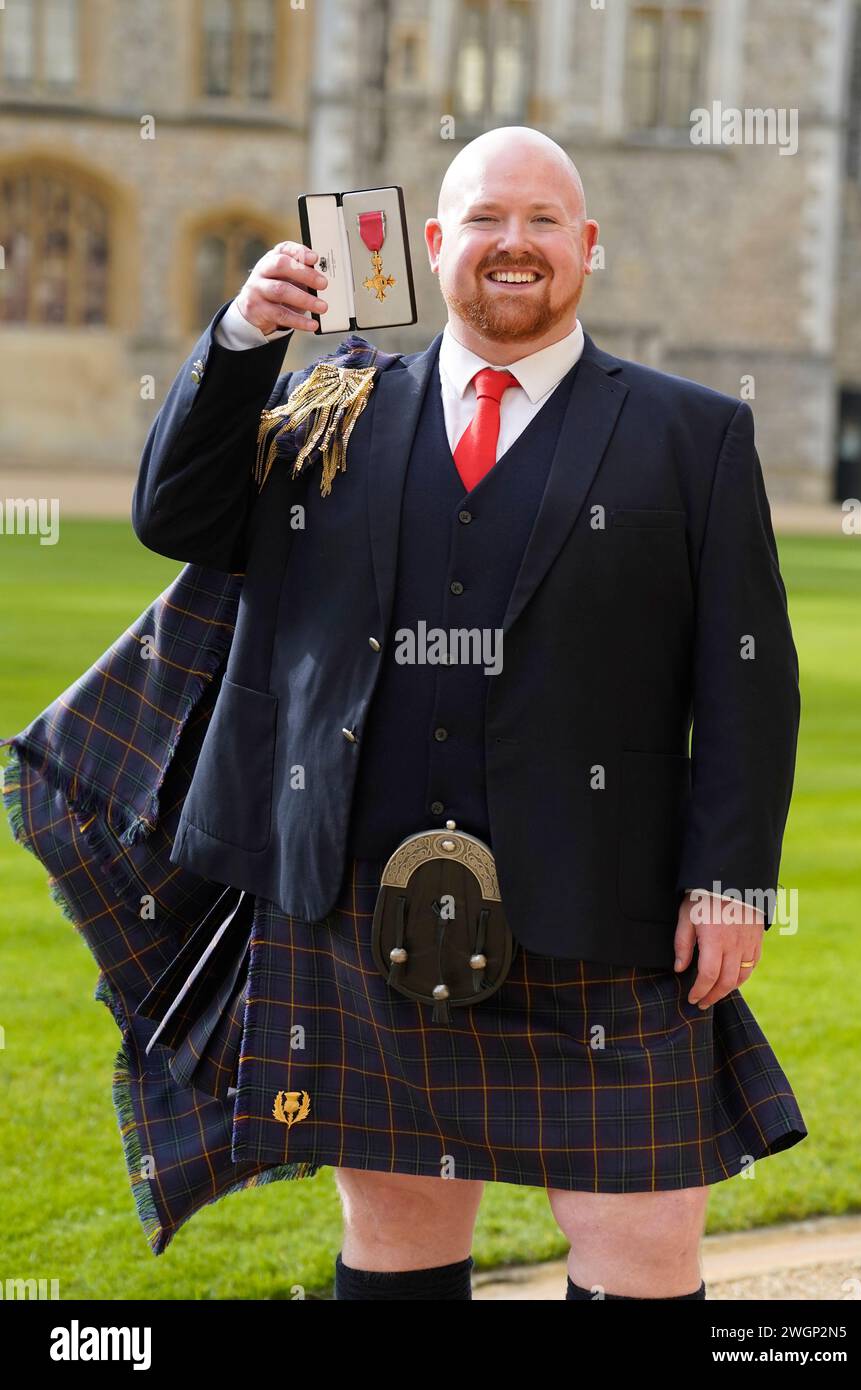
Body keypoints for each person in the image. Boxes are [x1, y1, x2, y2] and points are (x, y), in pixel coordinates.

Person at [130, 125, 807, 1301]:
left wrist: (732, 877)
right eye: (487, 219)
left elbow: (748, 673)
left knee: (644, 1247)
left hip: (606, 910)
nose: (515, 244)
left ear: (588, 247)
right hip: (361, 905)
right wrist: (243, 340)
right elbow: (176, 516)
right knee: (394, 1234)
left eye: (544, 221)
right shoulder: (332, 408)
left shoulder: (694, 434)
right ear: (434, 245)